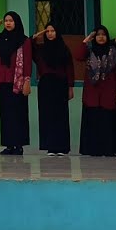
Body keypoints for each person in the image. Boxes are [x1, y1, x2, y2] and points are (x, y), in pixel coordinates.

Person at [0, 11, 32, 155]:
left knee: (18, 114)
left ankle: (19, 145)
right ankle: (9, 145)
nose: (8, 23)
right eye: (6, 21)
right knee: (5, 114)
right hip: (2, 82)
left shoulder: (24, 41)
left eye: (11, 20)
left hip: (17, 83)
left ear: (16, 22)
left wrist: (27, 81)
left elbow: (27, 62)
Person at [76, 26, 116, 157]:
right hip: (92, 93)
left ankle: (108, 149)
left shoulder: (114, 53)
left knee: (107, 122)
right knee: (93, 122)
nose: (101, 37)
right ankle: (93, 150)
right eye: (98, 35)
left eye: (103, 35)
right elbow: (78, 56)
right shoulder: (89, 51)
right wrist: (86, 41)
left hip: (109, 92)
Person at [32, 23, 75, 156]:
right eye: (47, 31)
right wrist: (34, 37)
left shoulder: (64, 49)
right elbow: (29, 48)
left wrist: (70, 87)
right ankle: (50, 147)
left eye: (53, 31)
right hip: (46, 84)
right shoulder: (41, 49)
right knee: (47, 115)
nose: (50, 34)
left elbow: (69, 68)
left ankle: (62, 147)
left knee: (60, 115)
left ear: (57, 32)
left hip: (60, 84)